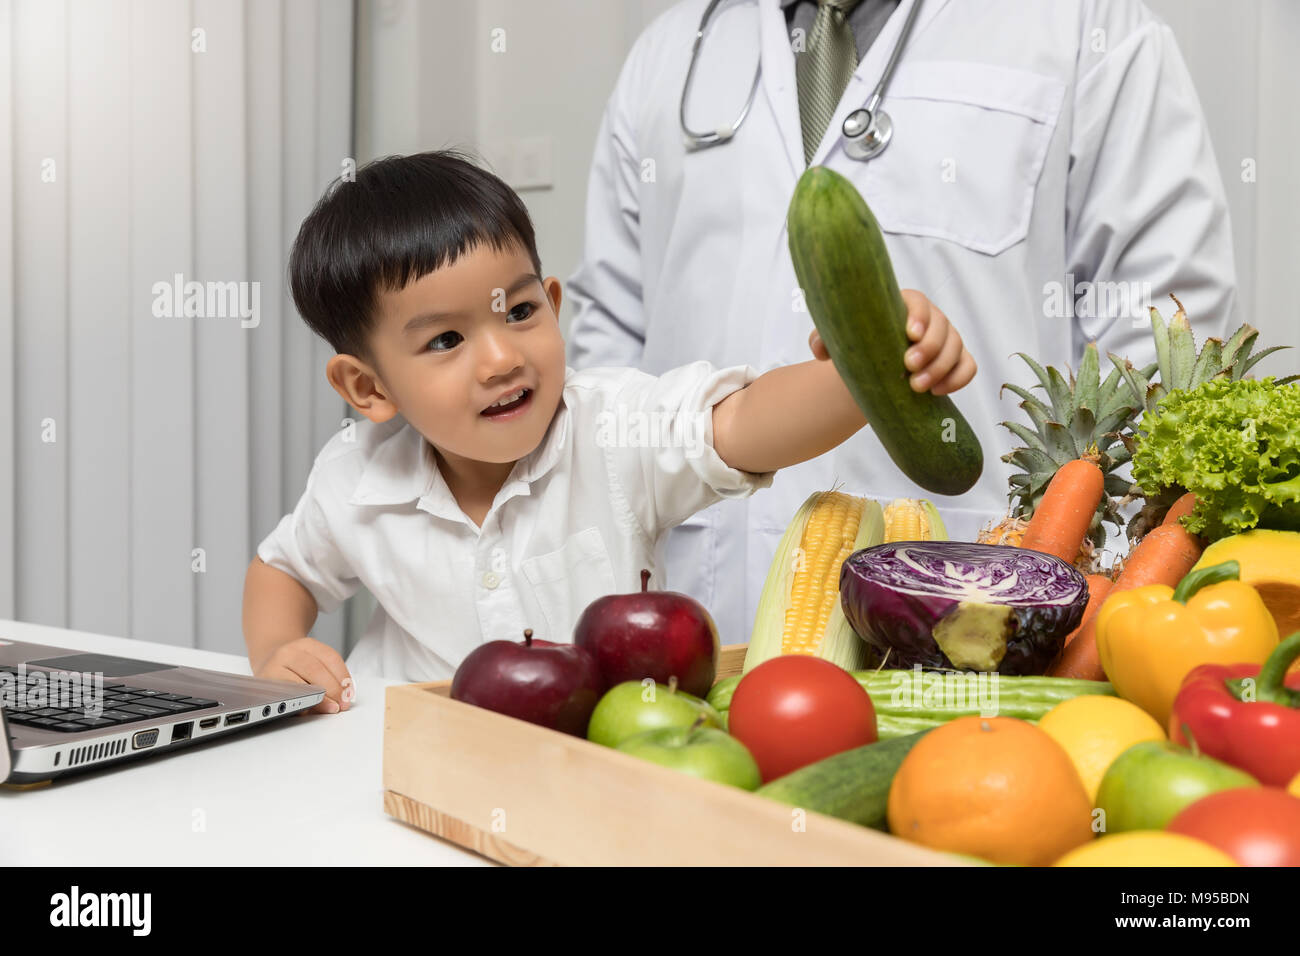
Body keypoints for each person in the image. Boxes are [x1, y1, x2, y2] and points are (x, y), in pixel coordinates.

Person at [566, 0, 1238, 648]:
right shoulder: (669, 52)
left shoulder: (1091, 26)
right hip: (694, 616)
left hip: (974, 603)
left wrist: (1106, 610)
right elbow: (609, 353)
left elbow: (1163, 337)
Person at [241, 149, 976, 712]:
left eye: (520, 312)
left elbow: (746, 425)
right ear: (367, 388)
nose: (501, 358)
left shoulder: (616, 428)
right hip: (400, 757)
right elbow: (283, 571)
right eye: (445, 342)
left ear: (553, 303)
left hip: (593, 767)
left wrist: (872, 360)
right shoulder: (354, 479)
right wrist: (277, 650)